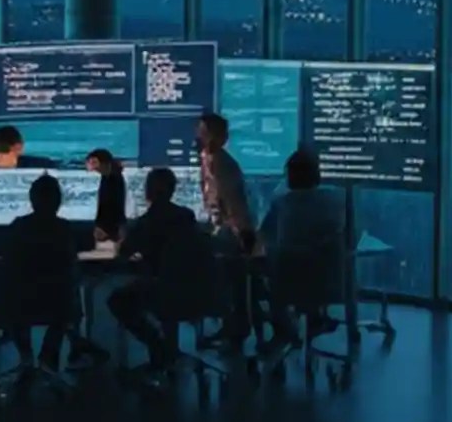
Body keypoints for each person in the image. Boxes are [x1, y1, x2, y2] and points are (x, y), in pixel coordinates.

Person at [107, 168, 201, 372]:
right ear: (173, 190)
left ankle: (158, 346)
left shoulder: (147, 222)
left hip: (161, 291)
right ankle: (168, 350)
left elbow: (124, 252)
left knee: (118, 300)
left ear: (147, 191)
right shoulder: (187, 216)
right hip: (193, 290)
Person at [259, 148, 346, 350]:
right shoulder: (336, 200)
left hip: (287, 285)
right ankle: (315, 319)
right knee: (311, 266)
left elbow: (264, 236)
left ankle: (284, 332)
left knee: (257, 274)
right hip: (329, 284)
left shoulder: (281, 204)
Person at [2, 175, 78, 371]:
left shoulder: (18, 227)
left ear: (31, 200)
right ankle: (48, 356)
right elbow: (88, 244)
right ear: (59, 201)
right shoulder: (65, 229)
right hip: (57, 305)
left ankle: (26, 356)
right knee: (64, 305)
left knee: (17, 303)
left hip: (19, 304)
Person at [196, 112, 257, 345]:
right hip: (222, 227)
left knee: (234, 279)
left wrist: (241, 233)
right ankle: (233, 323)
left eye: (207, 133)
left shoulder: (223, 164)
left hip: (232, 231)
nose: (203, 138)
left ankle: (237, 324)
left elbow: (234, 203)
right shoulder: (208, 160)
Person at [86, 148, 127, 243]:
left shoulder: (114, 178)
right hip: (109, 227)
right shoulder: (107, 177)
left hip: (111, 228)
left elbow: (114, 205)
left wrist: (102, 227)